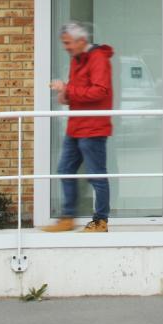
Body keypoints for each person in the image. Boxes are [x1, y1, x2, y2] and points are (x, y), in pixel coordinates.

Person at [43, 21, 114, 233]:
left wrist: (68, 89)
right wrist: (64, 94)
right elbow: (77, 91)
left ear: (81, 41)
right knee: (65, 169)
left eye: (67, 43)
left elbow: (100, 91)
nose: (65, 47)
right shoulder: (77, 59)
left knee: (96, 175)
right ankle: (68, 217)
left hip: (93, 126)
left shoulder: (98, 58)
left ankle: (100, 220)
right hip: (76, 125)